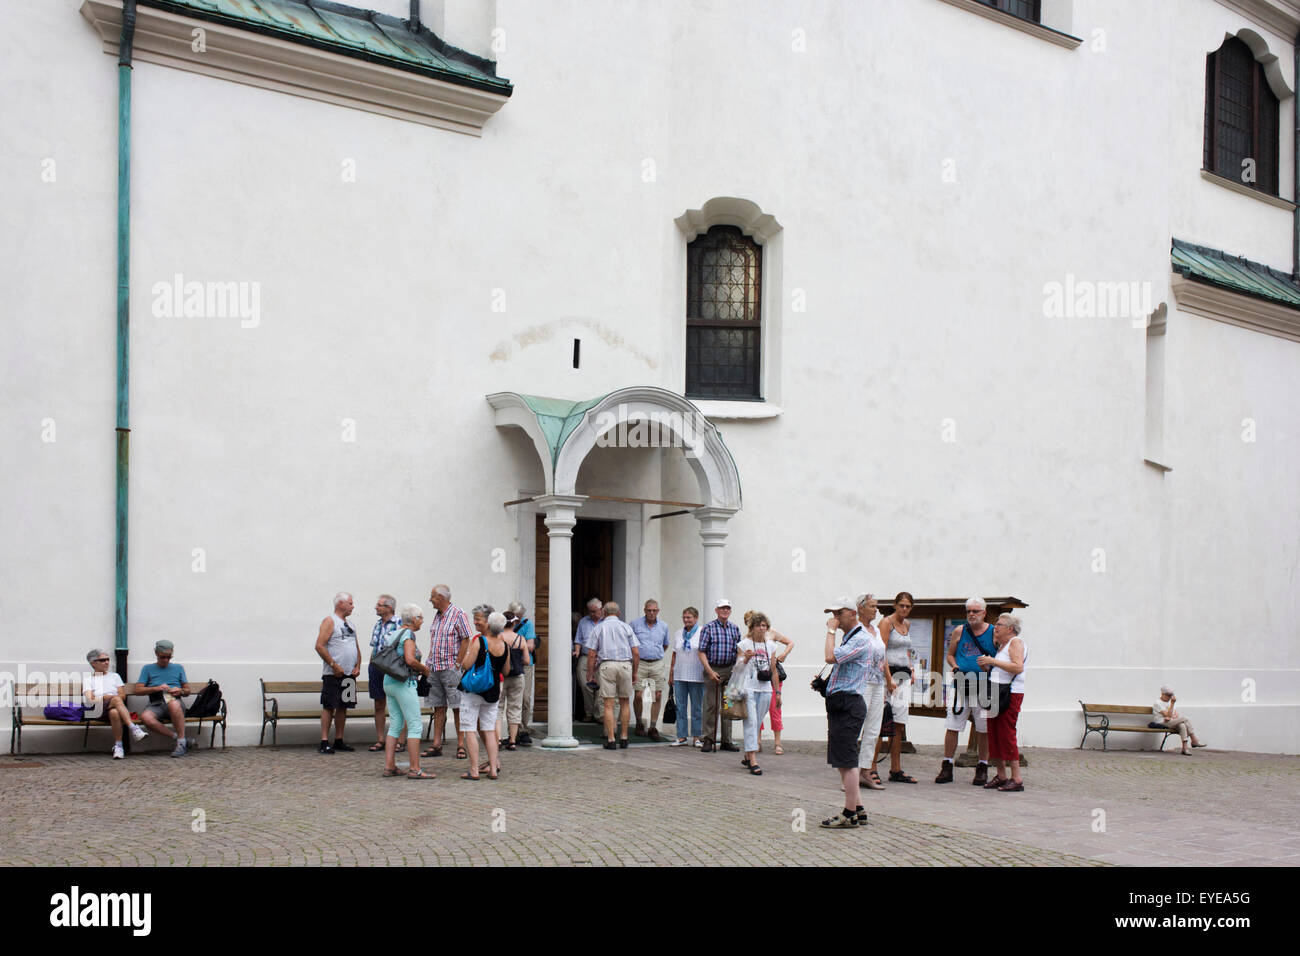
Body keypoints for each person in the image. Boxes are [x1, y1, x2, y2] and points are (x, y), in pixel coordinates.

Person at [820, 598, 872, 829]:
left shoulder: (861, 638)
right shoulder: (851, 636)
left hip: (849, 703)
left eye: (838, 613)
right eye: (833, 614)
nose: (835, 618)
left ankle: (849, 812)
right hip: (841, 701)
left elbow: (830, 657)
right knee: (841, 758)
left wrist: (830, 631)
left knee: (847, 760)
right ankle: (858, 808)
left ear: (852, 613)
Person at [935, 597, 996, 785]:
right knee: (953, 724)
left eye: (975, 611)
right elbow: (951, 655)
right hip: (962, 683)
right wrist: (954, 667)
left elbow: (1001, 657)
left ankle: (982, 766)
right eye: (969, 611)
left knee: (984, 728)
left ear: (984, 613)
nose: (971, 614)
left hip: (985, 685)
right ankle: (947, 765)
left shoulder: (994, 633)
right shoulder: (960, 631)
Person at [380, 604, 434, 780]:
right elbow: (410, 660)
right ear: (413, 619)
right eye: (420, 617)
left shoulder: (393, 633)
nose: (422, 621)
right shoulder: (408, 635)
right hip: (404, 683)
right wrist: (425, 669)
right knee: (415, 725)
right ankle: (415, 768)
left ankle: (389, 766)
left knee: (395, 723)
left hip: (389, 682)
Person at [736, 611, 793, 775]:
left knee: (757, 720)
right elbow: (738, 669)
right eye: (758, 626)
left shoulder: (770, 646)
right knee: (751, 722)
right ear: (752, 627)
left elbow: (774, 671)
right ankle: (753, 760)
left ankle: (747, 755)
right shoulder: (744, 644)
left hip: (765, 689)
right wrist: (746, 659)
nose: (761, 629)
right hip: (749, 688)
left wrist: (778, 693)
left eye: (764, 626)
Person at [458, 608, 510, 780]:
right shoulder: (504, 645)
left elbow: (466, 664)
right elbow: (507, 670)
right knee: (489, 730)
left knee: (470, 730)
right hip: (493, 691)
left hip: (474, 690)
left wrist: (467, 657)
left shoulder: (480, 641)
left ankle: (474, 770)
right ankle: (493, 769)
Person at [871, 590, 916, 783]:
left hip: (903, 675)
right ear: (895, 605)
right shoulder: (886, 623)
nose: (904, 609)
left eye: (908, 606)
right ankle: (871, 767)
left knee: (899, 723)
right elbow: (882, 652)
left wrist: (911, 668)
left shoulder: (906, 624)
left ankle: (895, 768)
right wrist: (888, 679)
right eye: (902, 605)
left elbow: (906, 650)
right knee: (880, 722)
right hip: (888, 676)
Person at [978, 613, 1027, 791]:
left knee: (1006, 733)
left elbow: (1018, 666)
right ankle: (1001, 774)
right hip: (996, 691)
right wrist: (988, 666)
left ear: (1010, 629)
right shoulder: (1002, 645)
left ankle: (1016, 778)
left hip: (1010, 693)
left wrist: (993, 661)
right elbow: (1002, 668)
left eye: (999, 625)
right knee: (994, 732)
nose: (995, 627)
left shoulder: (1016, 642)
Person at [424, 584, 472, 760]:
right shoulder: (437, 616)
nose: (430, 600)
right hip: (434, 666)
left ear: (441, 597)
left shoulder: (458, 614)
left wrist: (458, 664)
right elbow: (435, 641)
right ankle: (436, 744)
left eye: (432, 596)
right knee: (438, 706)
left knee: (457, 706)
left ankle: (461, 745)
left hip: (450, 666)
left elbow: (466, 638)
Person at [586, 601, 640, 749]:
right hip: (625, 665)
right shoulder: (626, 627)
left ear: (603, 613)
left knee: (608, 704)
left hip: (607, 665)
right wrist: (635, 672)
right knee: (625, 702)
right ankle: (624, 737)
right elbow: (635, 652)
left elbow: (591, 654)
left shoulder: (599, 628)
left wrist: (590, 673)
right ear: (619, 613)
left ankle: (610, 739)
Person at [314, 592, 360, 754]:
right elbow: (320, 645)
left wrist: (358, 665)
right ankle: (324, 740)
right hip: (333, 674)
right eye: (350, 603)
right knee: (329, 705)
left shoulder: (351, 625)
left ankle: (339, 739)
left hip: (349, 674)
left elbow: (356, 647)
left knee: (343, 707)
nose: (353, 606)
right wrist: (333, 664)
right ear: (340, 603)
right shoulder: (330, 621)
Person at [854, 594, 890, 791]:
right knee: (857, 726)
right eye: (872, 606)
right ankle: (849, 774)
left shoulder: (875, 630)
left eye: (876, 606)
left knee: (874, 728)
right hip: (862, 683)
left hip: (878, 683)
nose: (876, 610)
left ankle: (865, 770)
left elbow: (882, 656)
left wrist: (887, 681)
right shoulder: (855, 629)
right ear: (861, 608)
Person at [134, 640, 193, 757]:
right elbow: (138, 690)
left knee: (172, 703)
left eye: (168, 657)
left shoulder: (178, 668)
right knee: (146, 718)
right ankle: (180, 739)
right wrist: (156, 688)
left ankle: (181, 745)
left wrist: (179, 690)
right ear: (156, 654)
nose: (166, 660)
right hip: (156, 701)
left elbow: (187, 690)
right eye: (163, 657)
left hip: (173, 699)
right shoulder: (147, 668)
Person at [84, 648, 147, 759]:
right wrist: (108, 697)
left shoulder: (115, 676)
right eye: (103, 660)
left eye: (108, 659)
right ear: (93, 663)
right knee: (116, 700)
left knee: (114, 712)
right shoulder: (89, 680)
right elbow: (90, 699)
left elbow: (122, 695)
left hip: (113, 708)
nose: (107, 662)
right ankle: (134, 728)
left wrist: (107, 697)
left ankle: (118, 747)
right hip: (98, 711)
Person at [697, 598, 741, 753]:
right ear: (716, 610)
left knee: (728, 705)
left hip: (730, 670)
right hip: (713, 669)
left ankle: (726, 740)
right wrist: (710, 671)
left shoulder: (735, 629)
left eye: (728, 608)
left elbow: (739, 651)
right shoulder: (708, 628)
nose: (725, 611)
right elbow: (701, 652)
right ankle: (708, 739)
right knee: (712, 705)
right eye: (722, 608)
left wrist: (737, 669)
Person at [630, 599, 671, 740]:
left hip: (656, 663)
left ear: (658, 611)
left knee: (657, 695)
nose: (651, 613)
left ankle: (653, 726)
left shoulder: (663, 626)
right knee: (639, 695)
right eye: (649, 610)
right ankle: (639, 722)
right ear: (644, 610)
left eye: (654, 610)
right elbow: (630, 644)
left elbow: (665, 645)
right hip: (640, 662)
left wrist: (654, 654)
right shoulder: (635, 624)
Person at [367, 594, 402, 753]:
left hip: (392, 667)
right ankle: (381, 739)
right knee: (378, 703)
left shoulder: (399, 623)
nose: (376, 607)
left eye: (379, 605)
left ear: (389, 607)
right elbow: (374, 646)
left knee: (398, 704)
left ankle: (399, 740)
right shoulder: (378, 624)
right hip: (376, 667)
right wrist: (371, 664)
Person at [668, 607, 706, 747]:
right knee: (681, 707)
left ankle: (696, 736)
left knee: (696, 708)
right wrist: (671, 673)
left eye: (689, 617)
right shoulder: (679, 633)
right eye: (684, 617)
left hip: (697, 675)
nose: (686, 620)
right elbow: (674, 654)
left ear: (696, 618)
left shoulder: (702, 632)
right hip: (680, 674)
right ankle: (681, 736)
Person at [499, 610, 530, 751]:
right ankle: (512, 740)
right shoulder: (520, 639)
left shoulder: (499, 637)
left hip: (500, 676)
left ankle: (498, 738)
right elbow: (527, 660)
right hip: (517, 675)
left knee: (498, 707)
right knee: (515, 707)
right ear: (514, 623)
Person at [508, 601, 538, 745]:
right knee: (510, 699)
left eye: (520, 617)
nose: (518, 620)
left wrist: (513, 643)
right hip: (508, 664)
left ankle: (524, 729)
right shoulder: (505, 622)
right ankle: (513, 732)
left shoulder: (528, 624)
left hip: (525, 664)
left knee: (525, 698)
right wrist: (521, 643)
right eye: (516, 617)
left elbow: (531, 646)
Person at [573, 598, 604, 722]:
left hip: (601, 658)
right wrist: (577, 651)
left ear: (601, 610)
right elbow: (578, 639)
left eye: (594, 611)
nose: (592, 614)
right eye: (590, 611)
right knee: (585, 684)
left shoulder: (606, 622)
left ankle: (599, 714)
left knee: (602, 685)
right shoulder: (583, 622)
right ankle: (589, 712)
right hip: (585, 657)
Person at [1153, 685, 1207, 755]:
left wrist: (1170, 715)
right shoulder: (1158, 703)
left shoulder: (1170, 702)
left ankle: (1185, 748)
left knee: (1182, 725)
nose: (1170, 697)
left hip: (1171, 722)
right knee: (1185, 718)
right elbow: (1168, 715)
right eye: (1168, 695)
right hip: (1161, 723)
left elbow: (1175, 715)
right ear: (1162, 694)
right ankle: (1194, 740)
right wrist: (1172, 705)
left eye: (1171, 695)